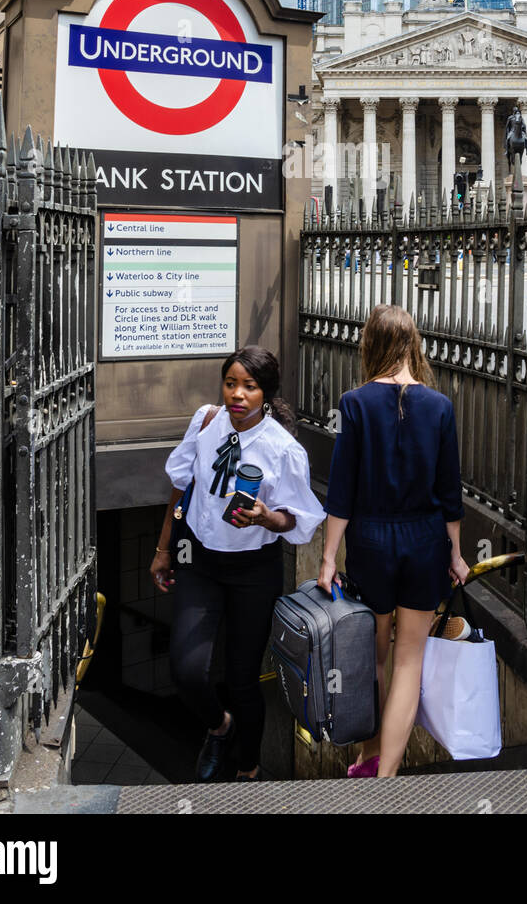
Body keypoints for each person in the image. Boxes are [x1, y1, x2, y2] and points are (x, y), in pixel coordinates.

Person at [152, 347, 324, 783]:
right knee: (187, 670)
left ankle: (248, 768)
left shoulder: (283, 450)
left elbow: (298, 520)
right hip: (200, 561)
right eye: (231, 383)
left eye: (249, 386)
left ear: (265, 394)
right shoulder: (206, 421)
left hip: (253, 570)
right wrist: (164, 547)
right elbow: (181, 486)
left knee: (244, 678)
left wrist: (269, 516)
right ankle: (219, 727)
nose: (238, 394)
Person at [317, 303, 470, 779]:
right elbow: (450, 491)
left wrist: (327, 558)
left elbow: (341, 492)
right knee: (410, 661)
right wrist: (457, 554)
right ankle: (385, 779)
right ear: (414, 345)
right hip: (425, 542)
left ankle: (366, 756)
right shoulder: (440, 406)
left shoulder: (355, 403)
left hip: (372, 543)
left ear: (372, 345)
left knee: (375, 657)